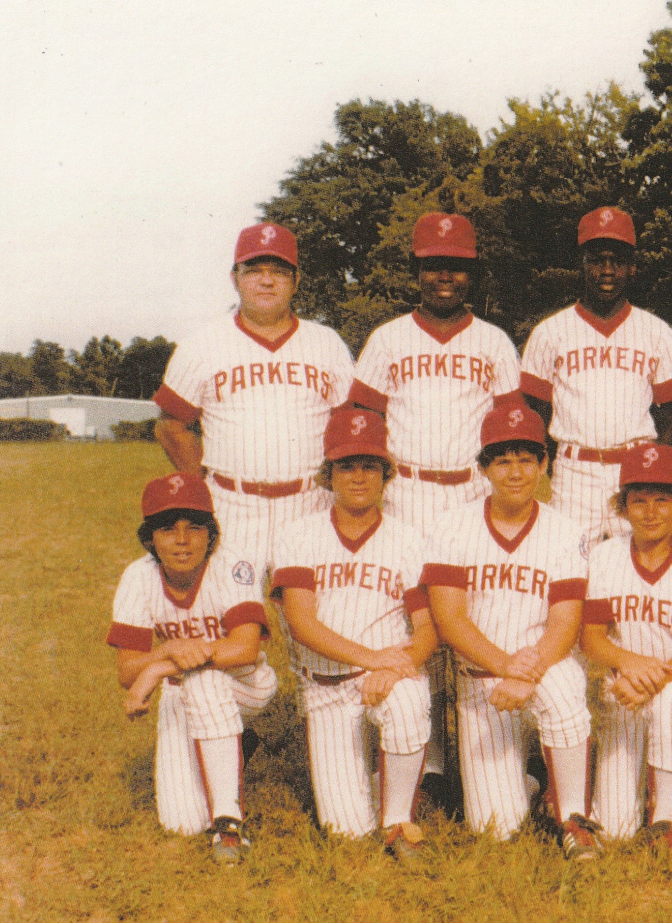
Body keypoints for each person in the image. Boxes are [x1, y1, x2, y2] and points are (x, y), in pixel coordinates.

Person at [348, 212, 524, 801]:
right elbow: (362, 421)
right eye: (433, 266)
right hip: (406, 491)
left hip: (473, 492)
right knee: (411, 623)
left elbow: (509, 425)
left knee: (478, 618)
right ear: (417, 272)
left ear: (470, 274)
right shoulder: (388, 338)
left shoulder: (494, 341)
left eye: (455, 266)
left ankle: (492, 750)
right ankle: (423, 763)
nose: (444, 276)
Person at [422, 405, 599, 858]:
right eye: (502, 460)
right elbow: (450, 618)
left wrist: (527, 672)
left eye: (526, 459)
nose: (515, 471)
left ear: (544, 464)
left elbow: (565, 619)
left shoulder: (565, 530)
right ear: (483, 467)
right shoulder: (450, 525)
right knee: (497, 826)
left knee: (564, 691)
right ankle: (541, 773)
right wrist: (504, 667)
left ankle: (573, 817)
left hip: (546, 665)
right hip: (482, 679)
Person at [270, 408, 436, 858]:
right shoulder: (297, 536)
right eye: (347, 465)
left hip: (384, 676)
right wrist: (375, 657)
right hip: (325, 684)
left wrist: (402, 665)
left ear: (386, 474)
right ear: (329, 474)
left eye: (370, 466)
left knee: (409, 701)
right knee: (345, 831)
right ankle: (381, 782)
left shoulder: (407, 538)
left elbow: (426, 629)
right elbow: (301, 625)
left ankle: (399, 822)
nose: (358, 476)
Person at [153, 222, 354, 583]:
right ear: (235, 277)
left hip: (310, 504)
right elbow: (171, 424)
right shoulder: (202, 344)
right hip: (232, 505)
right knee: (233, 623)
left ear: (296, 280)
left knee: (315, 626)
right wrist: (202, 487)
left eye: (278, 272)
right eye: (254, 270)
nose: (266, 281)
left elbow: (348, 423)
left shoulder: (327, 343)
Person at [108, 473, 276, 862]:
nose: (182, 540)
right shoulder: (138, 576)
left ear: (211, 533)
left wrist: (156, 669)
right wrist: (170, 652)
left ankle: (229, 825)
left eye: (194, 527)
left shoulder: (232, 564)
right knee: (182, 822)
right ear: (150, 538)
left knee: (204, 685)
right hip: (182, 687)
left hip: (247, 684)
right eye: (168, 529)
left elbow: (245, 649)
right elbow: (126, 672)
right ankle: (235, 748)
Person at [519, 207, 672, 547]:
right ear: (581, 264)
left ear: (632, 267)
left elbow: (671, 413)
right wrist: (556, 459)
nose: (607, 271)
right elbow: (536, 410)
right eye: (597, 260)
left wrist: (649, 468)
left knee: (635, 572)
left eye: (618, 260)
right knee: (569, 569)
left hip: (635, 470)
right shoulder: (549, 332)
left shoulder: (657, 332)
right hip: (574, 472)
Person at [583, 444, 672, 845]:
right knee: (615, 831)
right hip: (626, 683)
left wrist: (650, 678)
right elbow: (591, 636)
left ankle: (665, 820)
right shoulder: (605, 556)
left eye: (663, 500)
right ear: (622, 507)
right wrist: (630, 665)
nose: (651, 511)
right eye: (639, 501)